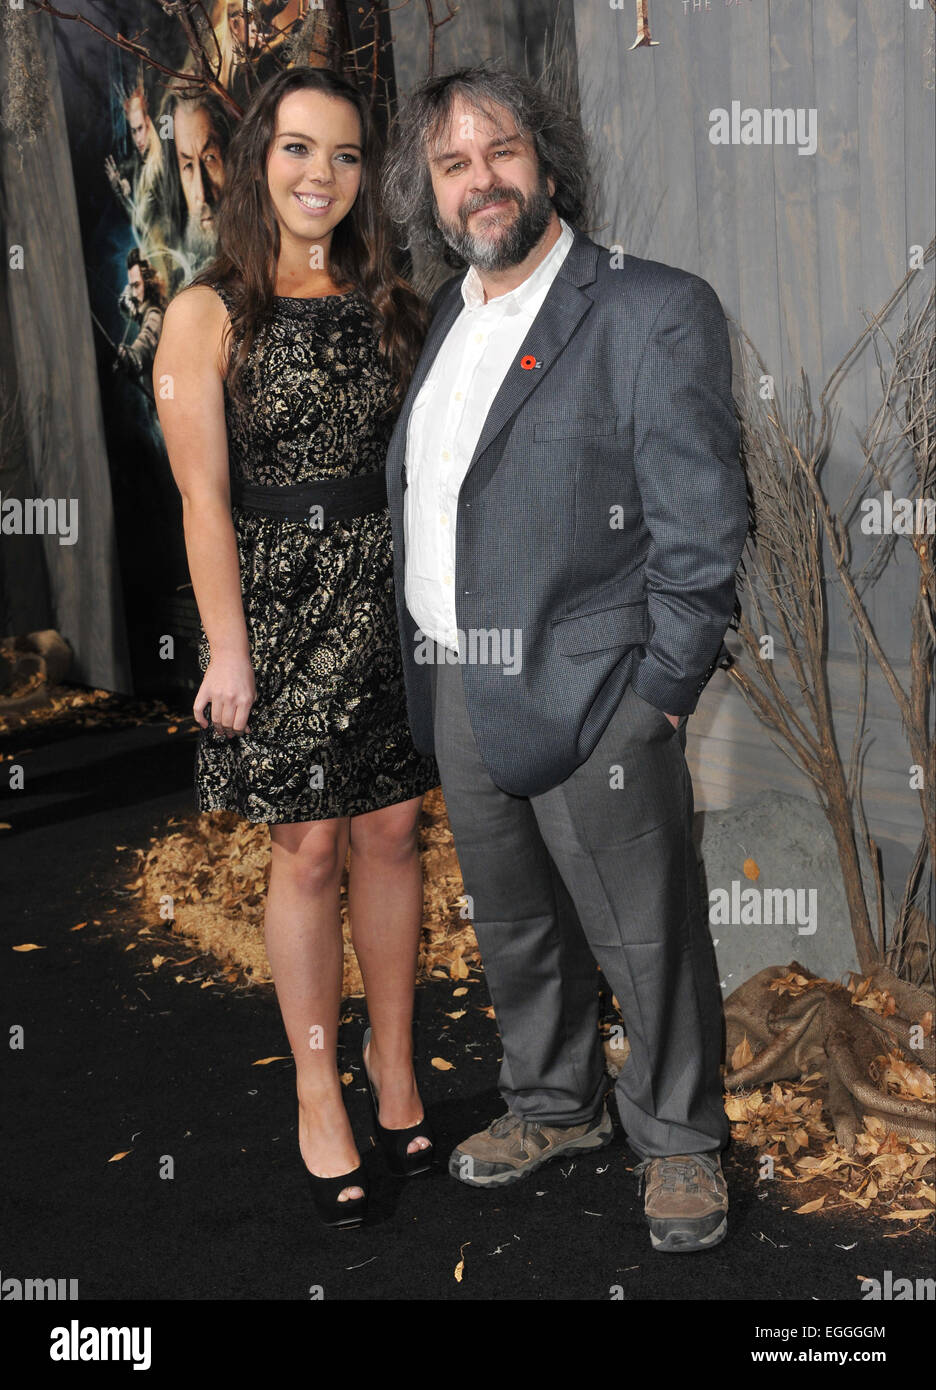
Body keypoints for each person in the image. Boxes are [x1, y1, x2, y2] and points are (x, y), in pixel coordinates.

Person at [381, 65, 749, 1253]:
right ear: (431, 194)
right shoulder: (451, 313)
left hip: (598, 696)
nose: (480, 180)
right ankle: (553, 1103)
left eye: (500, 152)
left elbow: (702, 531)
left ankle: (682, 1141)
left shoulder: (650, 307)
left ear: (545, 162)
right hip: (461, 684)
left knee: (646, 932)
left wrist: (658, 699)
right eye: (453, 164)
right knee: (515, 924)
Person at [153, 65, 440, 1229]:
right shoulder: (205, 312)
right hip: (274, 607)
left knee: (392, 827)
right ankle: (319, 1094)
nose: (322, 175)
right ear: (252, 159)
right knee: (308, 847)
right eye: (297, 150)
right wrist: (228, 649)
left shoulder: (389, 299)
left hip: (384, 592)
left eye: (346, 155)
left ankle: (398, 1068)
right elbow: (202, 500)